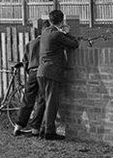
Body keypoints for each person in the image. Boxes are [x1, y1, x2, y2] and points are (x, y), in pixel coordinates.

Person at [36, 9, 79, 141]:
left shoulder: (45, 32)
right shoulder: (57, 35)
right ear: (61, 21)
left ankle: (43, 129)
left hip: (41, 72)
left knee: (46, 101)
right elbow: (74, 44)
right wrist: (67, 32)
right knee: (52, 103)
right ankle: (49, 132)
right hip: (52, 73)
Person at [12, 23, 45, 137]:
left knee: (27, 100)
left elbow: (25, 60)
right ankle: (35, 128)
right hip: (41, 72)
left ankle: (18, 126)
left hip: (31, 73)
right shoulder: (46, 43)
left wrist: (28, 71)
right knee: (41, 100)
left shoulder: (30, 44)